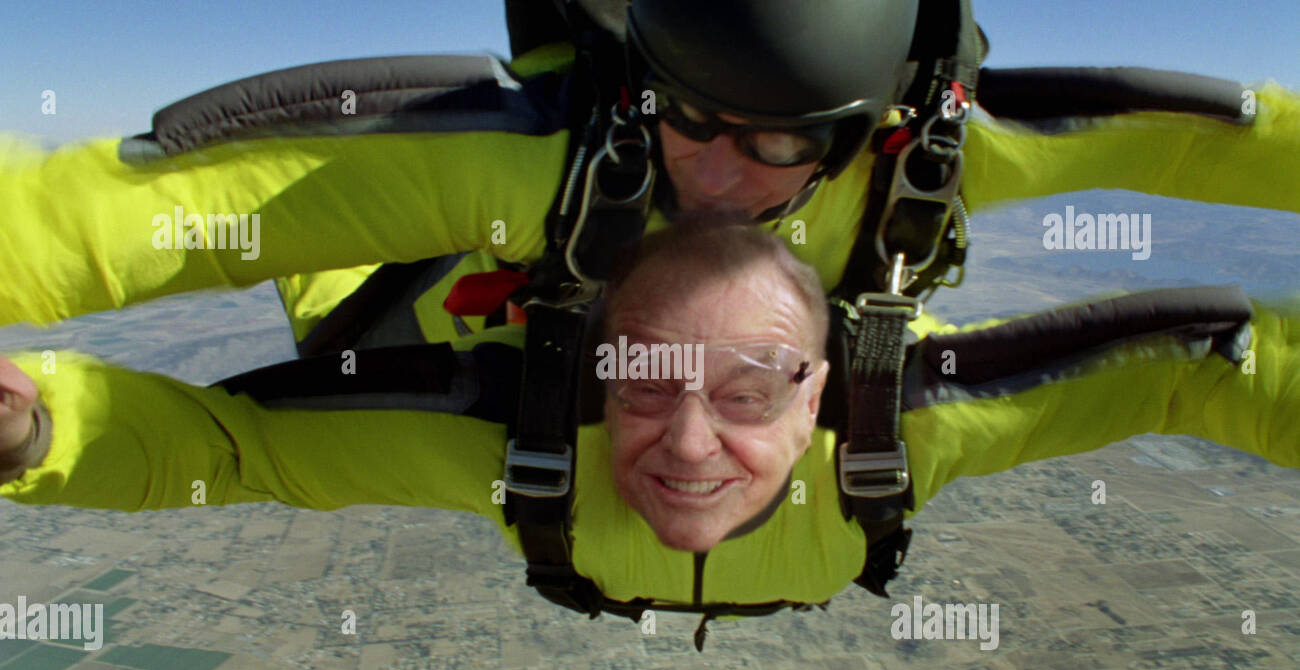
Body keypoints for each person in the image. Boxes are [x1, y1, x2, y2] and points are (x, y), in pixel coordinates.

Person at [2, 222, 1298, 637]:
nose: (684, 446)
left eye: (747, 391)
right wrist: (34, 430)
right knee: (348, 329)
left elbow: (1195, 360)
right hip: (446, 313)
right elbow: (232, 450)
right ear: (592, 375)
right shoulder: (505, 431)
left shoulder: (910, 426)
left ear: (823, 394)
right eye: (644, 377)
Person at [0, 0, 1296, 350]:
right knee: (355, 338)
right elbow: (118, 217)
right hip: (508, 327)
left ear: (870, 131)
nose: (725, 169)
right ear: (640, 88)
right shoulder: (537, 154)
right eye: (694, 116)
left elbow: (1209, 138)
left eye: (787, 141)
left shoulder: (933, 162)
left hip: (792, 379)